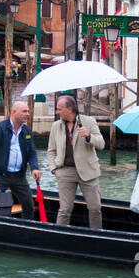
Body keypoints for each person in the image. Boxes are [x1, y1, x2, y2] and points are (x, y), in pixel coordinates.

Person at [47, 93, 104, 229]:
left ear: (70, 109)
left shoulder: (89, 122)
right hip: (65, 171)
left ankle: (97, 237)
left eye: (59, 109)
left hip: (88, 171)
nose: (57, 112)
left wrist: (89, 136)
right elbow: (51, 150)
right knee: (64, 210)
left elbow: (101, 144)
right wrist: (54, 169)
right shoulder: (56, 126)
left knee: (95, 208)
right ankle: (60, 237)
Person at [0, 99, 41, 219]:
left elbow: (32, 152)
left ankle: (27, 229)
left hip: (19, 176)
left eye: (28, 111)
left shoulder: (26, 130)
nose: (28, 114)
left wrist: (34, 168)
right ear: (14, 112)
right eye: (24, 111)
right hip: (2, 176)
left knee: (28, 205)